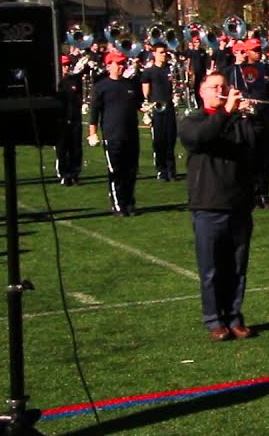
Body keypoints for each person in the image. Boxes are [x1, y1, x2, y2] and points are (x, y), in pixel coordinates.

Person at [180, 73, 256, 341]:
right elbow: (202, 138)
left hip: (238, 204)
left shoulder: (236, 119)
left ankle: (234, 316)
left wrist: (249, 118)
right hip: (208, 204)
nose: (221, 91)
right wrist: (226, 112)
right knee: (211, 269)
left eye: (224, 87)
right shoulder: (192, 121)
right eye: (215, 87)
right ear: (202, 93)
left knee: (237, 267)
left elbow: (256, 147)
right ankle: (214, 320)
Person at [223, 38, 269, 208]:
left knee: (266, 158)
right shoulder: (233, 71)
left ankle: (264, 194)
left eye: (259, 49)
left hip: (265, 116)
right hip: (246, 119)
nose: (258, 52)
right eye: (254, 50)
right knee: (250, 158)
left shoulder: (267, 69)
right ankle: (251, 195)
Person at [89, 50, 143, 216]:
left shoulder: (130, 85)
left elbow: (139, 104)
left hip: (131, 135)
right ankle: (118, 204)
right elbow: (94, 112)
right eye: (117, 64)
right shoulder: (102, 87)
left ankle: (129, 202)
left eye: (122, 64)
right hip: (113, 136)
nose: (120, 67)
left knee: (131, 171)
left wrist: (148, 111)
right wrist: (93, 133)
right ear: (108, 65)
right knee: (116, 172)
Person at [141, 42, 178, 181]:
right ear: (154, 53)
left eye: (165, 52)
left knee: (170, 140)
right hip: (156, 108)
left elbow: (177, 84)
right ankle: (161, 170)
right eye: (161, 52)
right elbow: (146, 92)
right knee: (159, 141)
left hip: (169, 107)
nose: (164, 55)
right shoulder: (149, 71)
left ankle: (171, 170)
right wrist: (148, 109)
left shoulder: (170, 69)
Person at [56, 55, 84, 186]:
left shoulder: (75, 80)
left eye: (67, 65)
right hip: (61, 119)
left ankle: (74, 173)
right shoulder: (57, 82)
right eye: (63, 65)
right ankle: (64, 174)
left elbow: (79, 97)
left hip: (75, 118)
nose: (65, 68)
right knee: (62, 148)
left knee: (76, 148)